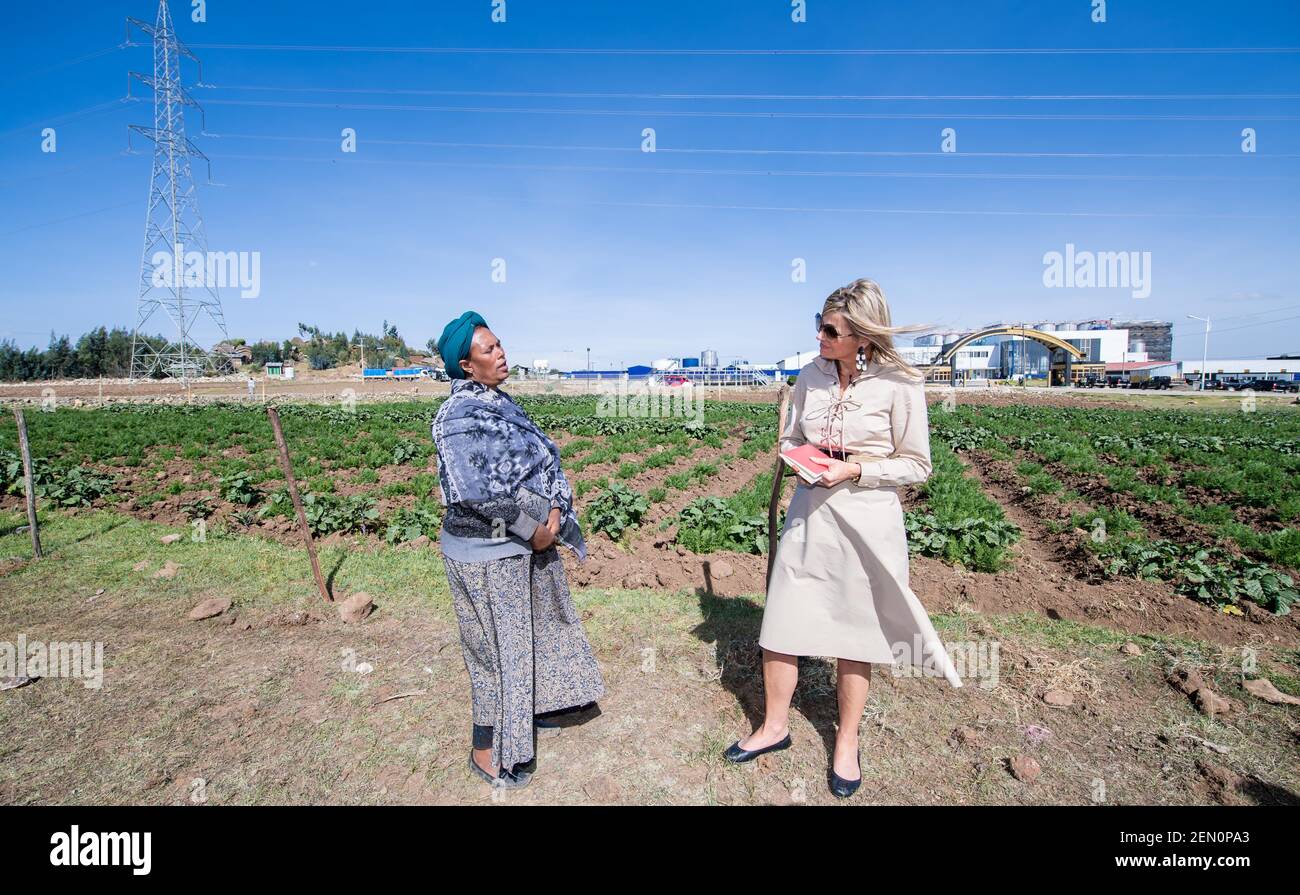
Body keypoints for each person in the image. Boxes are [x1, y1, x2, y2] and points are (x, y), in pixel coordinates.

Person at [725, 279, 963, 798]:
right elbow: (793, 438)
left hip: (867, 521)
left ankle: (847, 741)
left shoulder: (901, 382)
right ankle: (774, 727)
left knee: (857, 634)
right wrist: (794, 453)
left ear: (863, 335)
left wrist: (854, 471)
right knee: (782, 623)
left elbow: (916, 464)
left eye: (831, 330)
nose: (819, 336)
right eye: (819, 323)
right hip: (810, 514)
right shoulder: (809, 375)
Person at [431, 311, 605, 790]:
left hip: (525, 541)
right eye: (488, 350)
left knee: (534, 635)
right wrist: (532, 528)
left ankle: (540, 709)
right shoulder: (458, 416)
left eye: (499, 344)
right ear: (466, 366)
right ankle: (489, 747)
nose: (500, 353)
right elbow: (474, 493)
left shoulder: (495, 402)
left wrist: (553, 506)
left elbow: (536, 462)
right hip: (488, 549)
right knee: (496, 651)